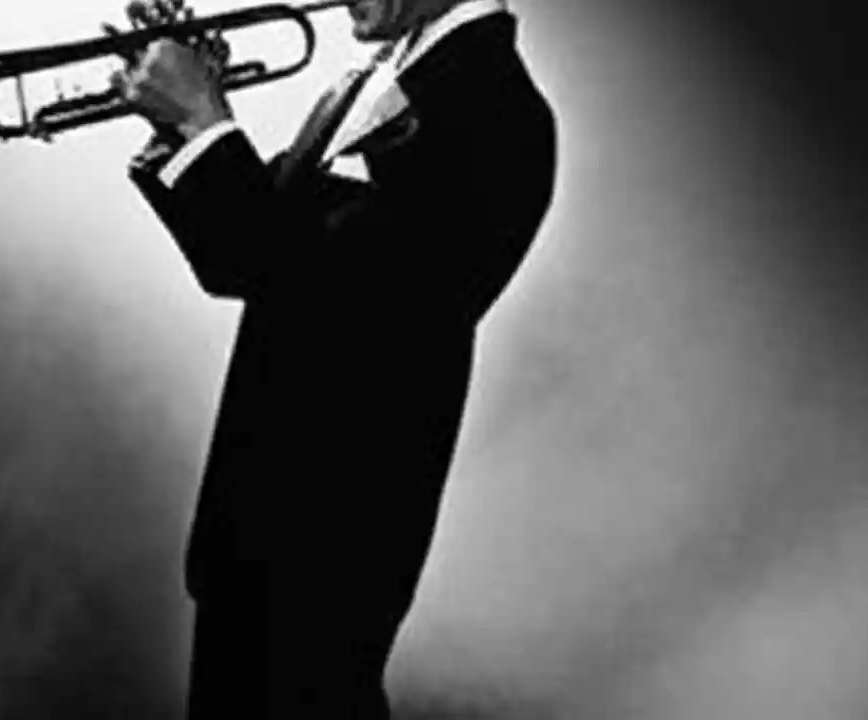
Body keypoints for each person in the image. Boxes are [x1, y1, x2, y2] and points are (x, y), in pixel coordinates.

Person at [111, 0, 556, 716]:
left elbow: (345, 295)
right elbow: (240, 260)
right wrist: (180, 126)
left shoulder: (501, 112)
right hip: (251, 537)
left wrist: (206, 120)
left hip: (328, 557)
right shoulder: (364, 84)